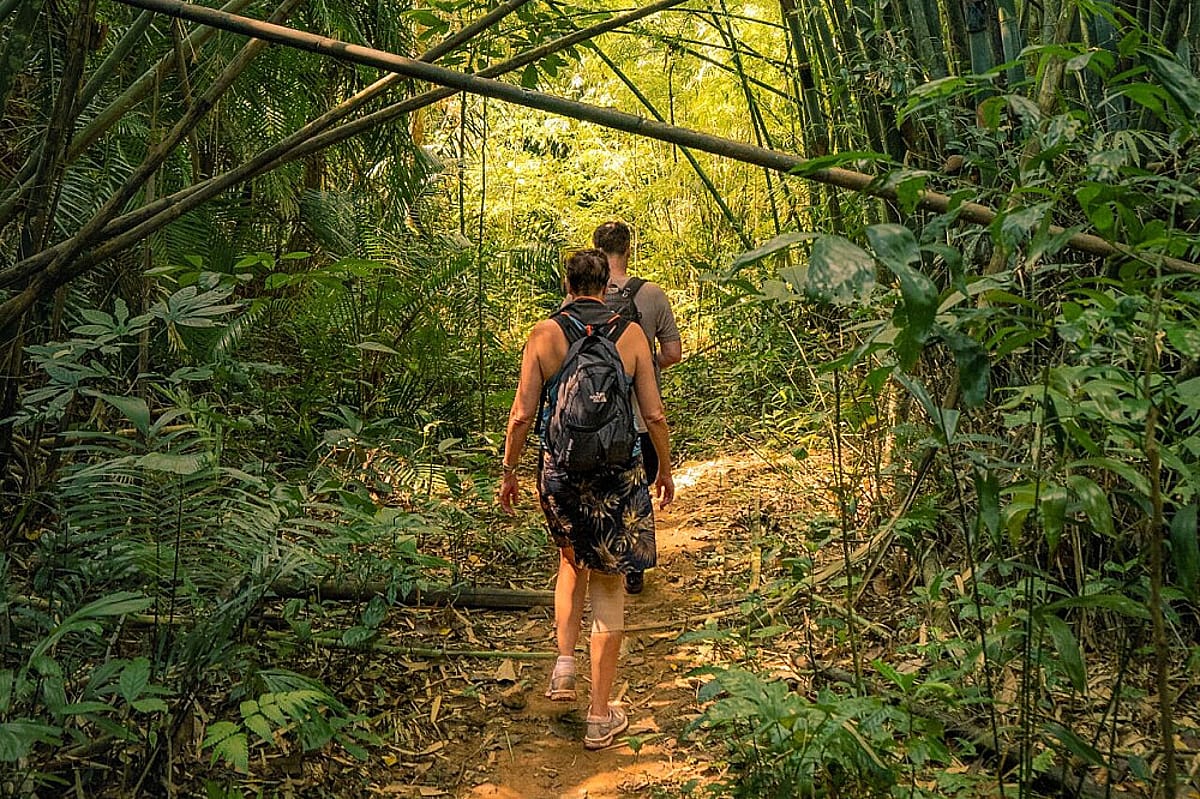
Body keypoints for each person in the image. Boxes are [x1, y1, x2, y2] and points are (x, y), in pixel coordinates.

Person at [499, 249, 674, 751]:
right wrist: (664, 468)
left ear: (567, 284)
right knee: (610, 585)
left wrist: (509, 471)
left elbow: (521, 415)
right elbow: (654, 414)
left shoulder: (544, 334)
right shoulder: (632, 335)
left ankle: (563, 667)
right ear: (604, 287)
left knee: (569, 562)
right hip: (617, 476)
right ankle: (599, 716)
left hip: (560, 472)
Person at [592, 221, 682, 595]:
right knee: (637, 489)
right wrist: (645, 365)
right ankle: (633, 567)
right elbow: (673, 353)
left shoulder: (580, 297)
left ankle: (599, 557)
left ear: (595, 251)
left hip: (594, 417)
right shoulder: (652, 294)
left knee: (599, 486)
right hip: (640, 417)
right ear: (629, 250)